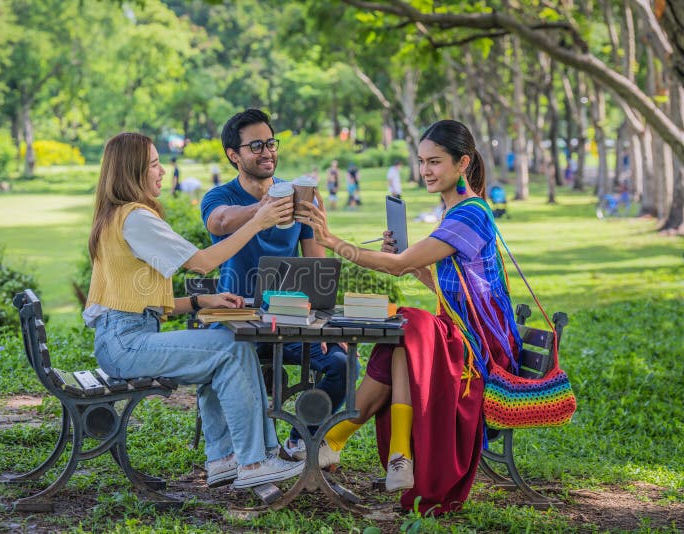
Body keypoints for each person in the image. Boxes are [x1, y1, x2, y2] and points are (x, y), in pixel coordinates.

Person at [296, 120, 522, 515]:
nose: (426, 171)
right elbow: (440, 287)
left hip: (483, 350)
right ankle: (387, 454)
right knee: (406, 330)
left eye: (435, 161)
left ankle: (336, 440)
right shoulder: (457, 212)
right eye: (421, 162)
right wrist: (410, 263)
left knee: (408, 324)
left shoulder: (471, 215)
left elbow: (399, 266)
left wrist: (333, 242)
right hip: (461, 336)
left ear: (463, 162)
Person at [84, 132, 303, 489]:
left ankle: (225, 459)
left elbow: (139, 301)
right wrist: (258, 221)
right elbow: (202, 263)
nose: (162, 172)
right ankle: (255, 462)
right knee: (231, 347)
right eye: (154, 165)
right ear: (133, 171)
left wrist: (202, 302)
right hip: (125, 343)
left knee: (220, 343)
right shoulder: (136, 218)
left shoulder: (117, 216)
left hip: (120, 339)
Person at [200, 109, 353, 461]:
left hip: (291, 319)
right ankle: (245, 455)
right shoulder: (220, 197)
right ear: (233, 155)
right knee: (232, 369)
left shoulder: (301, 198)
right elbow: (220, 221)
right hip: (238, 318)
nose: (267, 151)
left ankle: (302, 439)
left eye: (271, 142)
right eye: (256, 145)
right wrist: (265, 208)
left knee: (342, 364)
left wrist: (328, 324)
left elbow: (315, 263)